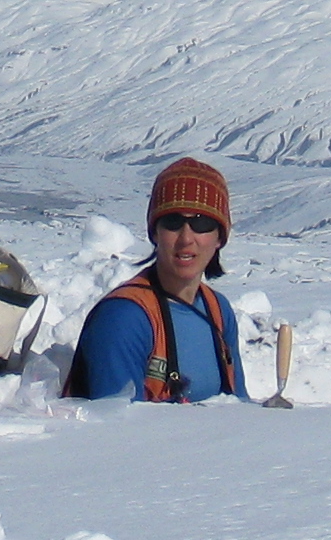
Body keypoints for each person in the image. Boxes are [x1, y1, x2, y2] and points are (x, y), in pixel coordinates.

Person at [63, 157, 248, 402]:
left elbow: (238, 404)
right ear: (155, 232)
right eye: (173, 223)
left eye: (201, 224)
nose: (186, 238)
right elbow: (116, 426)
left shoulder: (218, 311)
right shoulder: (123, 317)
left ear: (219, 238)